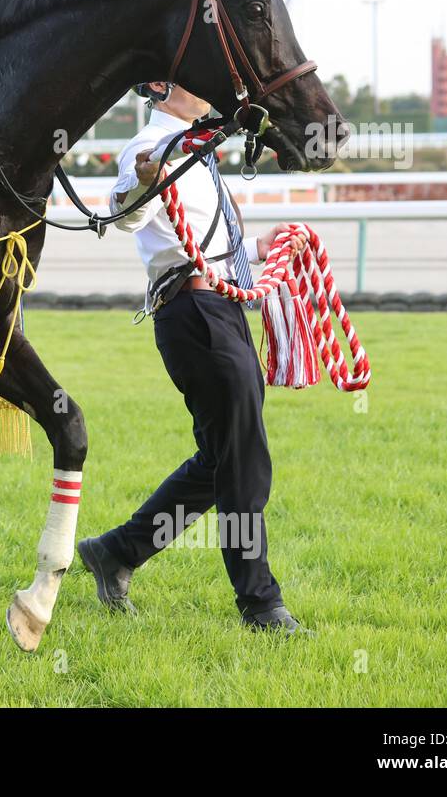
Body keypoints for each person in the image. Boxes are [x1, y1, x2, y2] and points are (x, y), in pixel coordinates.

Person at [77, 80, 311, 634]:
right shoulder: (149, 148)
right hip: (195, 317)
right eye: (192, 77)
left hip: (218, 309)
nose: (208, 87)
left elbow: (212, 253)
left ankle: (116, 552)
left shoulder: (200, 151)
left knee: (219, 460)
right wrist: (142, 183)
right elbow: (124, 214)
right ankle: (261, 603)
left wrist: (264, 245)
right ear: (160, 88)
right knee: (243, 461)